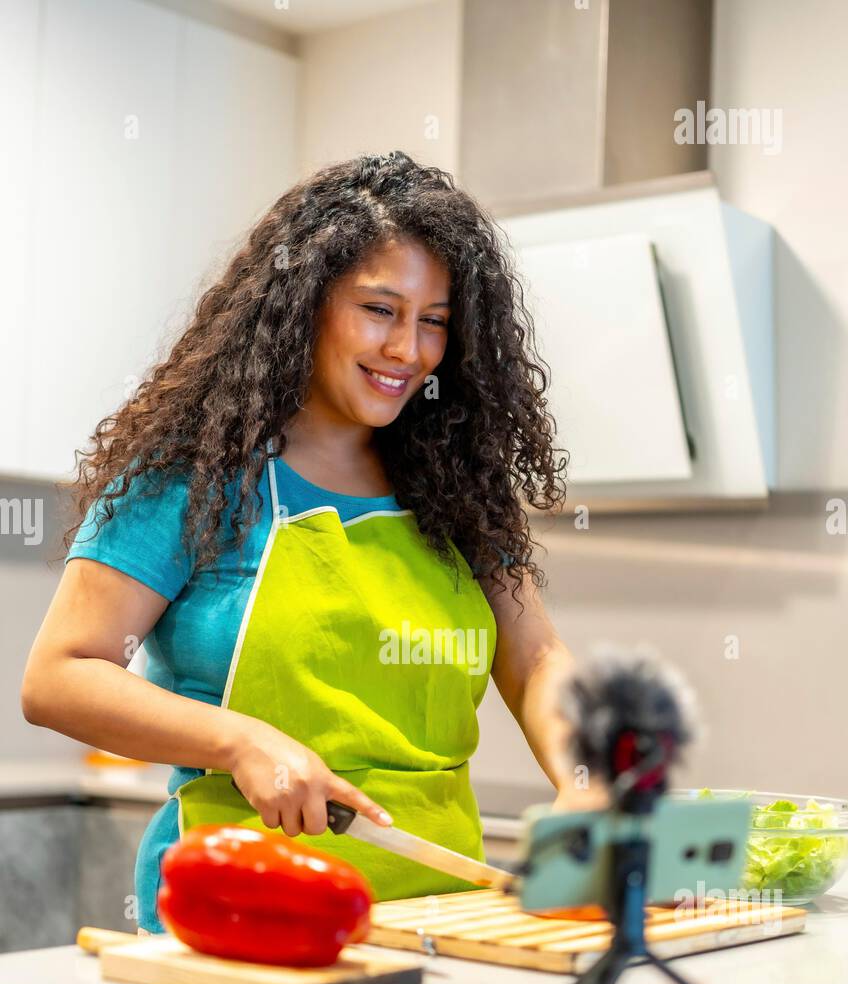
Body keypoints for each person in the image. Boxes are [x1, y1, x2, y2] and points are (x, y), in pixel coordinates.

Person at [22, 151, 598, 935]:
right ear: (304, 302)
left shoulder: (457, 491)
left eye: (433, 321)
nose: (408, 349)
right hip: (243, 911)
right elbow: (60, 676)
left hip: (447, 917)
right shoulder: (195, 477)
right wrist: (241, 741)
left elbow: (536, 661)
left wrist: (584, 782)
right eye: (379, 310)